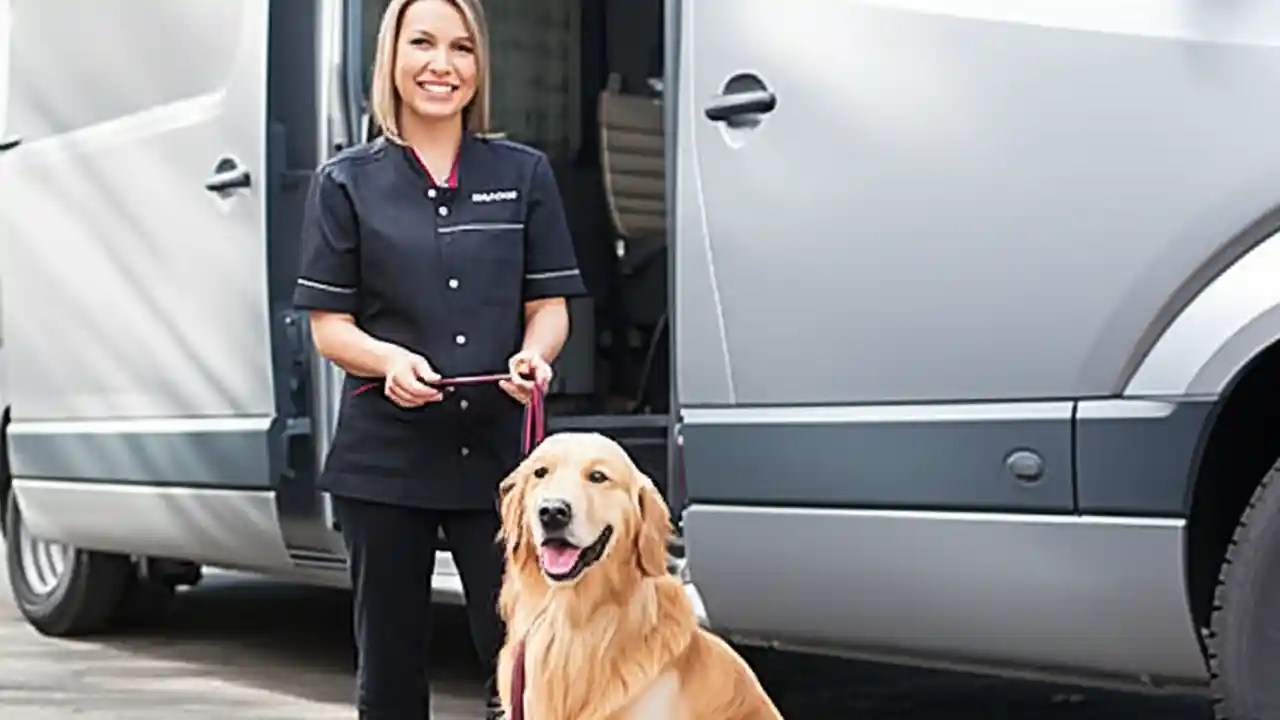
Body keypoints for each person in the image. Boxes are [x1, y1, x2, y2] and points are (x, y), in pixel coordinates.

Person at [291, 0, 588, 717]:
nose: (441, 65)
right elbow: (330, 328)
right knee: (390, 671)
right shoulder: (345, 181)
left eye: (461, 48)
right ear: (391, 58)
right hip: (385, 462)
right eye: (422, 43)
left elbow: (549, 308)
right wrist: (388, 361)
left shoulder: (524, 174)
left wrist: (534, 355)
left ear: (479, 65)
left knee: (520, 668)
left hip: (501, 465)